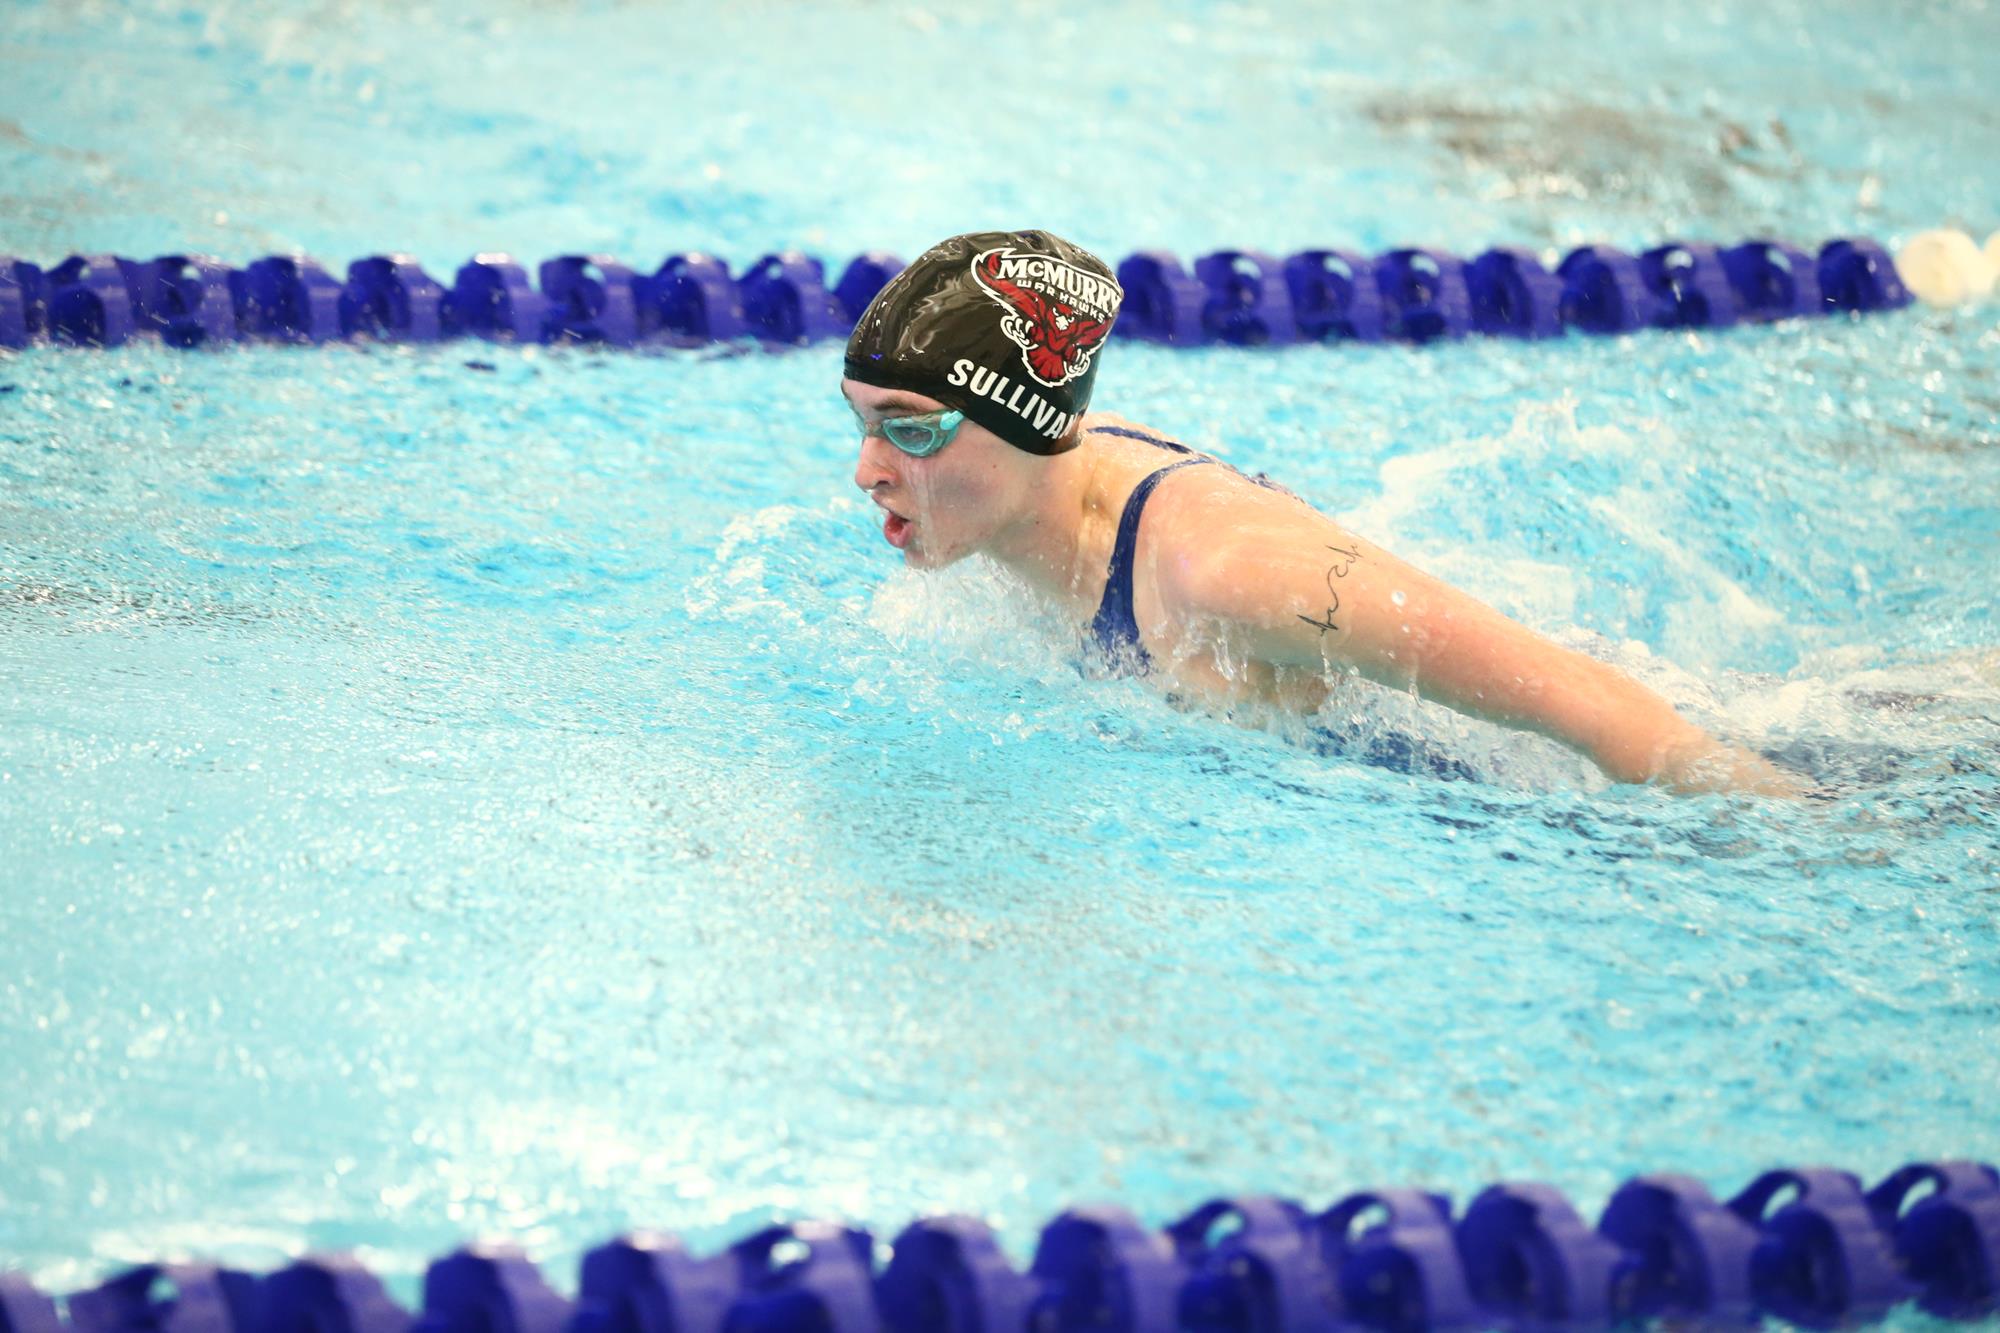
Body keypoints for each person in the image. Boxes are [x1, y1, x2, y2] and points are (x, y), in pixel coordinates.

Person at [844, 229, 1801, 795]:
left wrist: (1811, 836)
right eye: (863, 425)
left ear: (1027, 424)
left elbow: (1587, 705)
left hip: (1566, 780)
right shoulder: (1034, 497)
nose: (867, 471)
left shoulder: (1220, 573)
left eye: (911, 430)